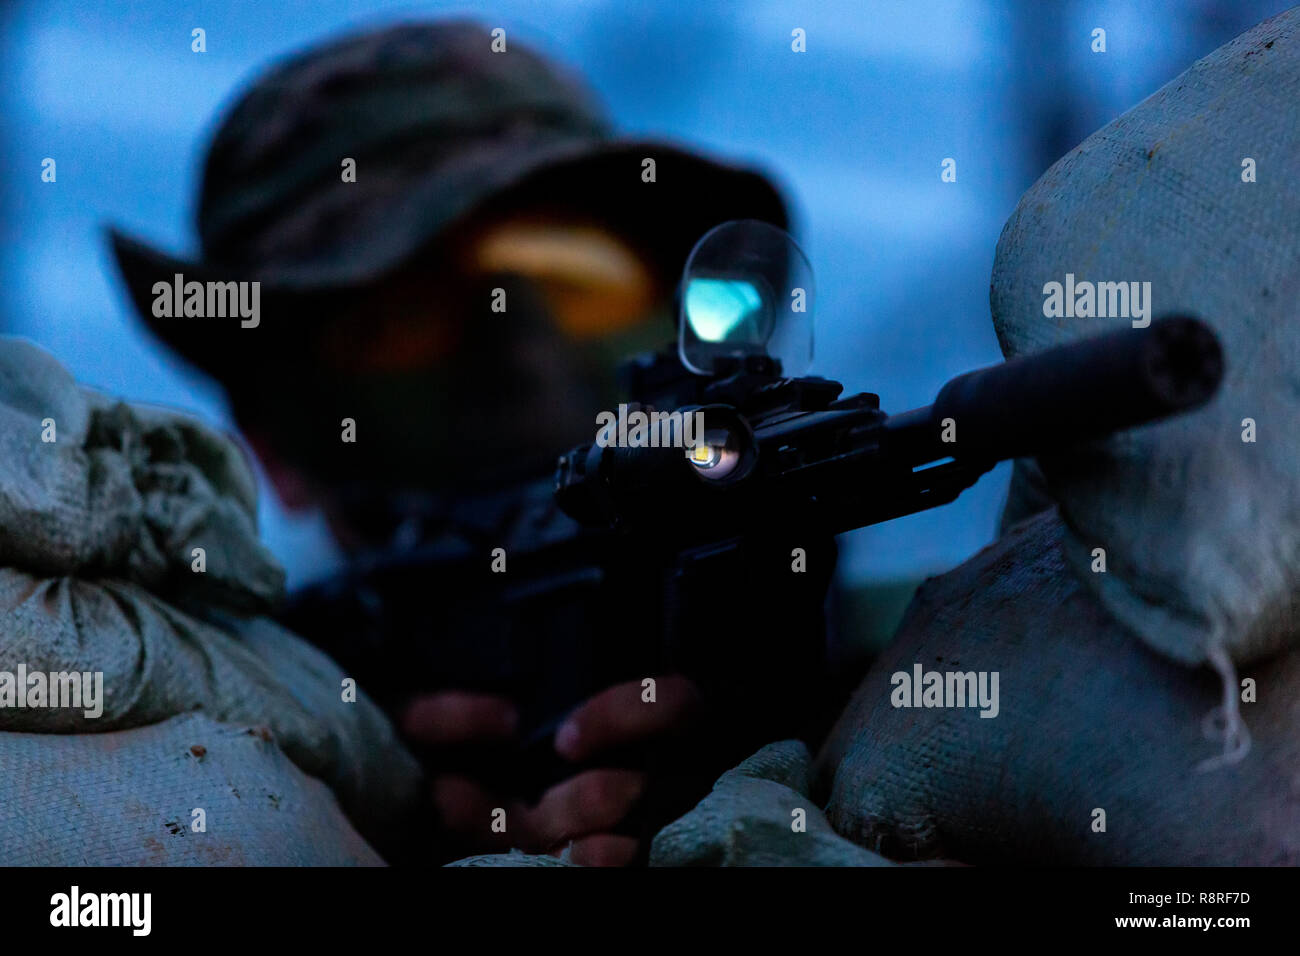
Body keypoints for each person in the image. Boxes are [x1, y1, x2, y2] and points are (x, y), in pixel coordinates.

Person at [109, 20, 793, 866]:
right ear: (274, 451)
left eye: (582, 284)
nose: (530, 353)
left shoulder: (898, 701)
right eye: (409, 319)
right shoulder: (205, 745)